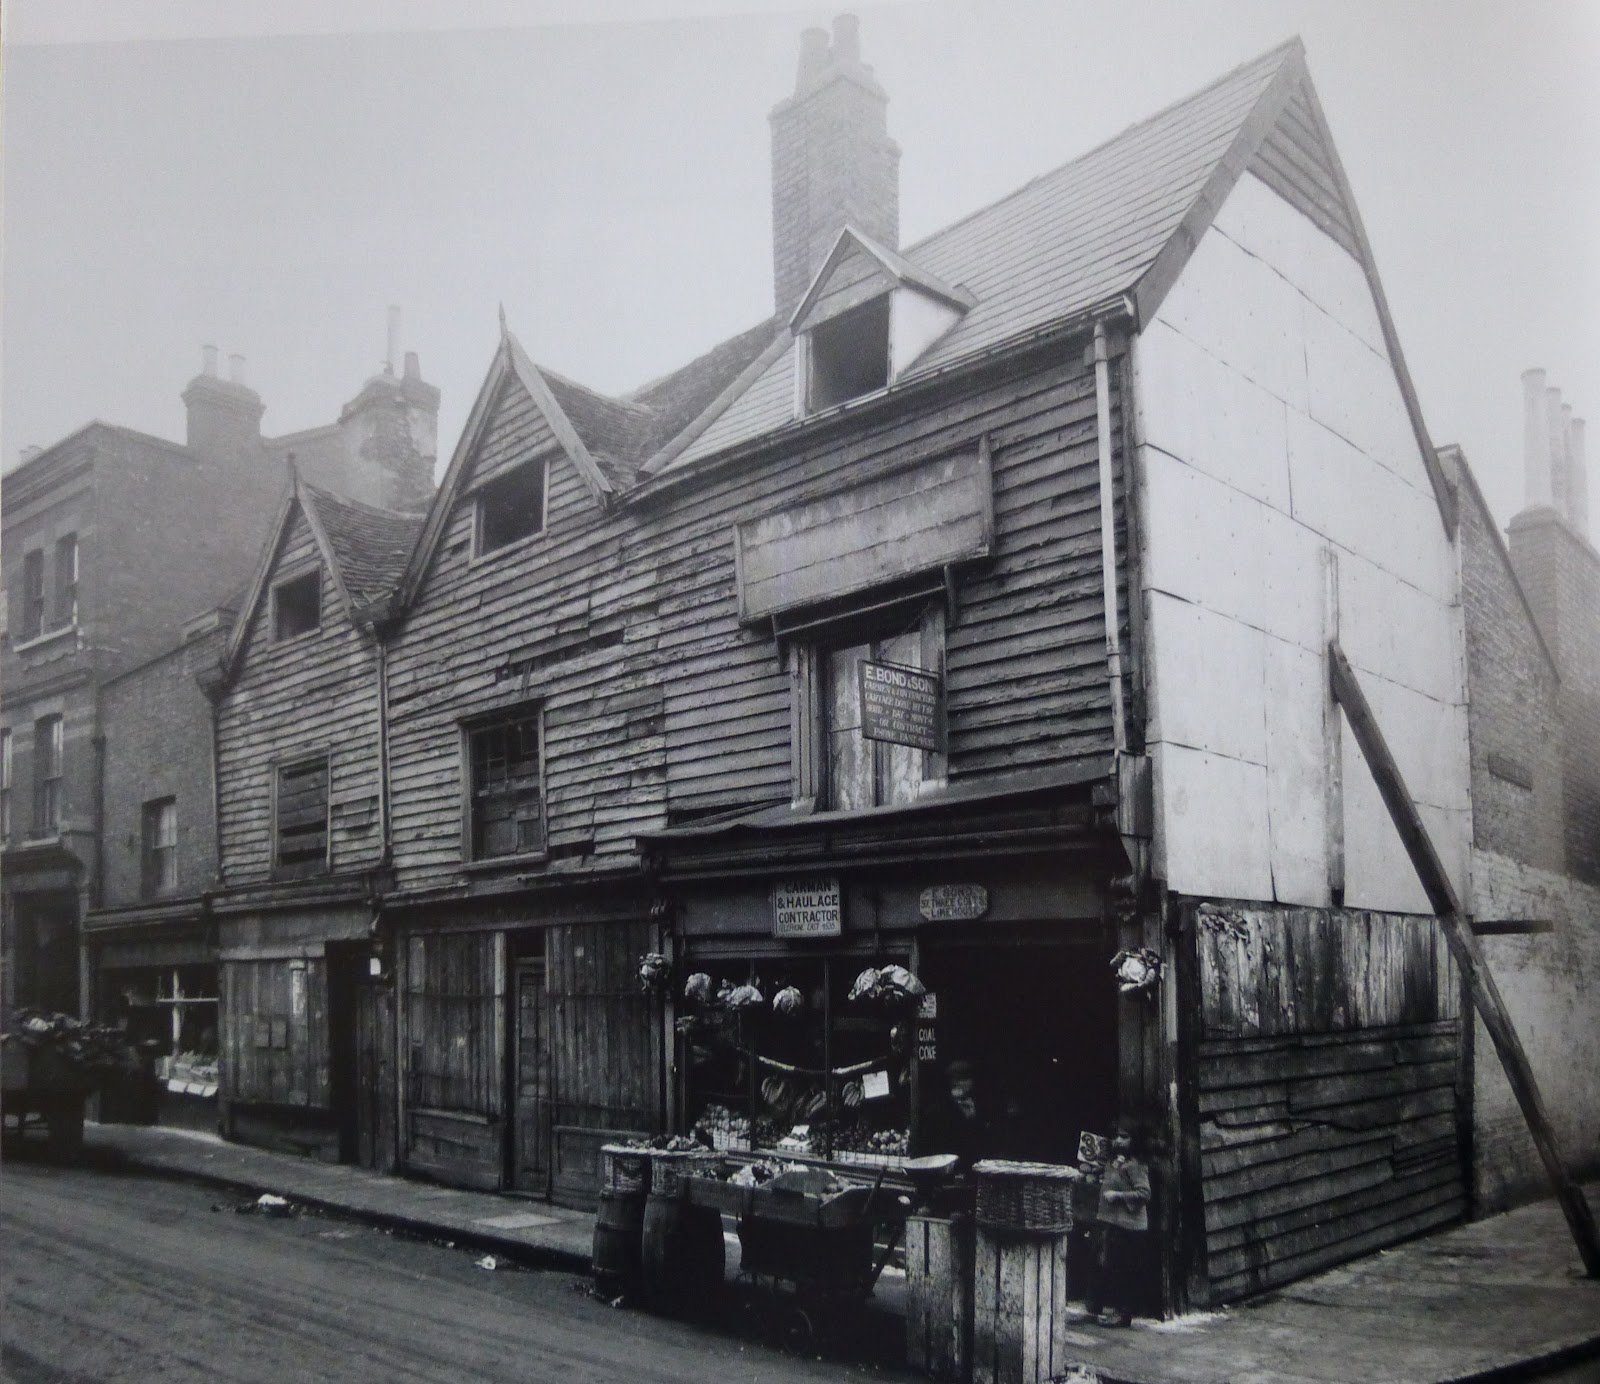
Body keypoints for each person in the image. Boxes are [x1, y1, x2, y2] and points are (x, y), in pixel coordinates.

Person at [1086, 1123, 1150, 1327]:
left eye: (1125, 1137)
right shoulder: (1114, 1163)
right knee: (1110, 1266)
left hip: (1130, 1226)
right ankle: (1106, 1308)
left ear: (1134, 1141)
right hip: (1113, 1222)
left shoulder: (1135, 1165)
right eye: (1117, 1137)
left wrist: (1119, 1196)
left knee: (1125, 1270)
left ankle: (1124, 1315)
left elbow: (1145, 1193)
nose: (1119, 1141)